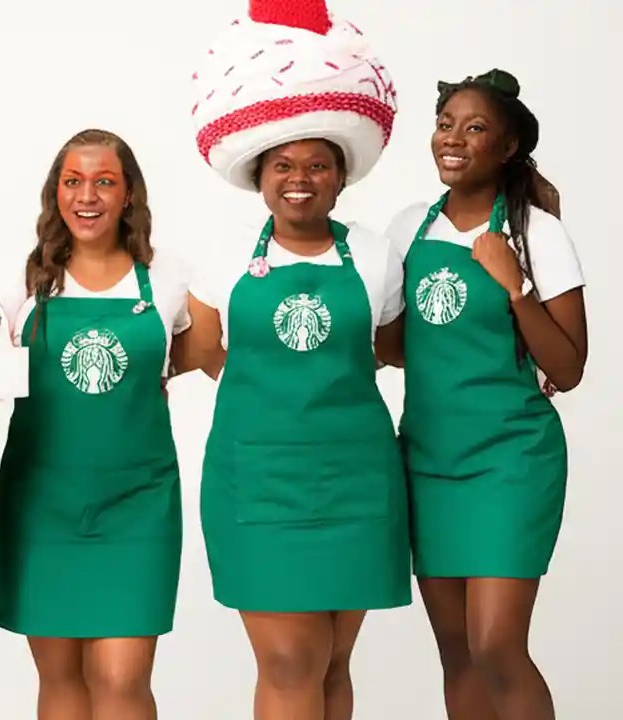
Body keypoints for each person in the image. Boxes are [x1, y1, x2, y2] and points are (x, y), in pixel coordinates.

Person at [183, 2, 409, 718]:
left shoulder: (375, 254)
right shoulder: (223, 258)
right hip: (258, 483)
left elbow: (396, 351)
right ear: (260, 175)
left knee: (336, 664)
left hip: (356, 481)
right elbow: (200, 353)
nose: (301, 177)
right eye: (284, 165)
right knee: (289, 658)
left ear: (343, 177)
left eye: (318, 164)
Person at [384, 69, 587, 720]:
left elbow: (570, 364)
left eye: (475, 128)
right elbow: (396, 346)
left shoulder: (536, 233)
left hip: (509, 461)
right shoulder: (409, 228)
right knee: (458, 653)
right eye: (446, 124)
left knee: (497, 646)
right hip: (428, 460)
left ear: (507, 149)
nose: (454, 139)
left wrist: (514, 287)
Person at [0, 128, 193, 720]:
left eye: (105, 182)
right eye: (73, 182)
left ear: (129, 194)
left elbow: (227, 364)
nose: (88, 196)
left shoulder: (171, 281)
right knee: (59, 680)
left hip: (138, 504)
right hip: (41, 503)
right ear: (55, 194)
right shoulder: (21, 286)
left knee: (121, 678)